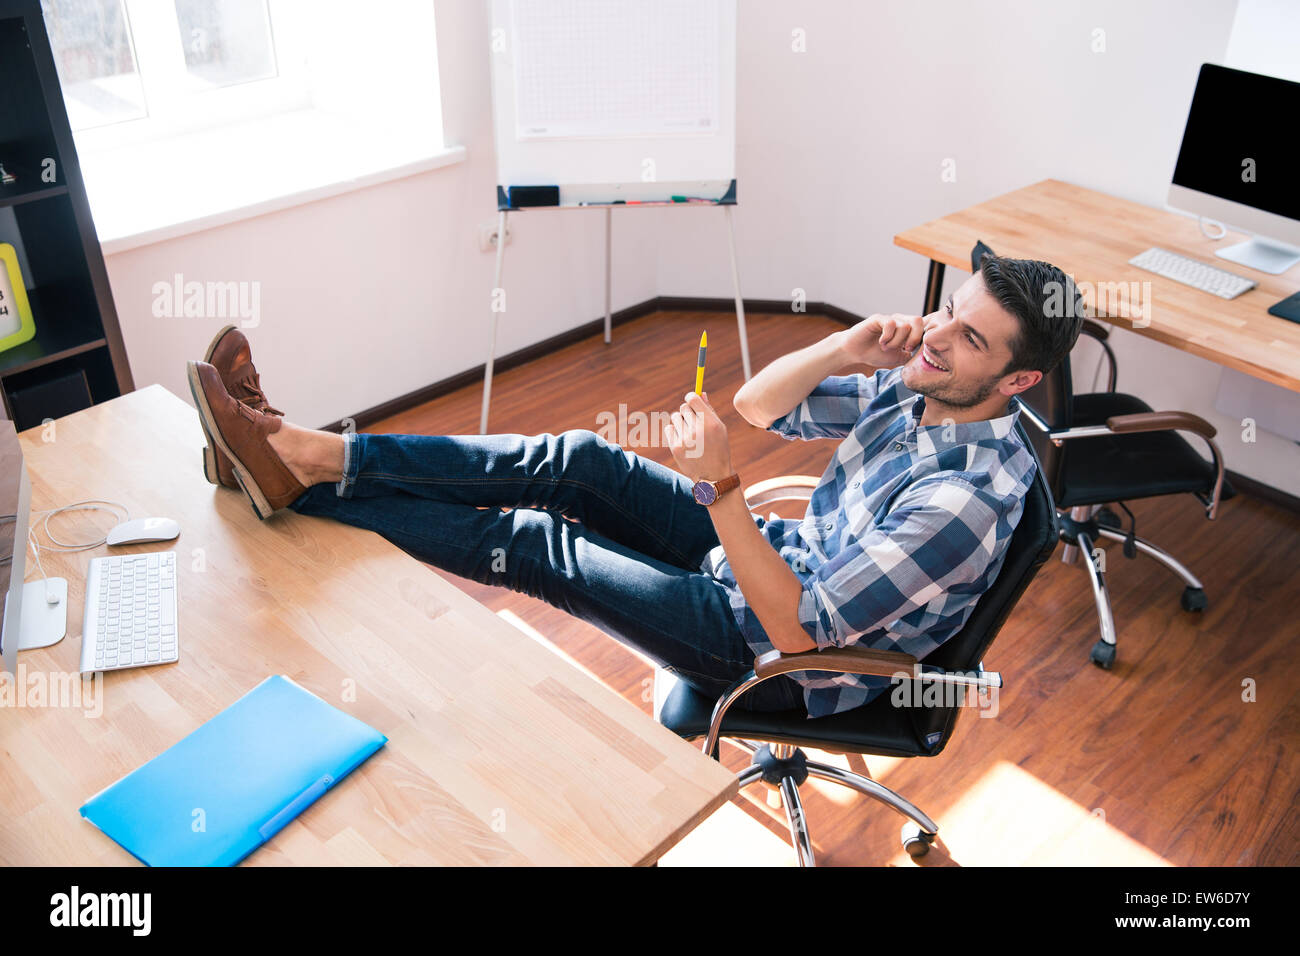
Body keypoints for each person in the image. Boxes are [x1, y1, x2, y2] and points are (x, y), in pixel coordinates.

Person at [186, 254, 1083, 718]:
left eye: (969, 338)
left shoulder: (963, 504)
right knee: (578, 458)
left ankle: (293, 473)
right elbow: (759, 406)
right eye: (947, 312)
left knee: (539, 546)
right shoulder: (920, 381)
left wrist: (722, 488)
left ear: (1016, 382)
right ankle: (307, 456)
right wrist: (843, 347)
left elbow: (798, 631)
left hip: (779, 659)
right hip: (775, 563)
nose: (936, 336)